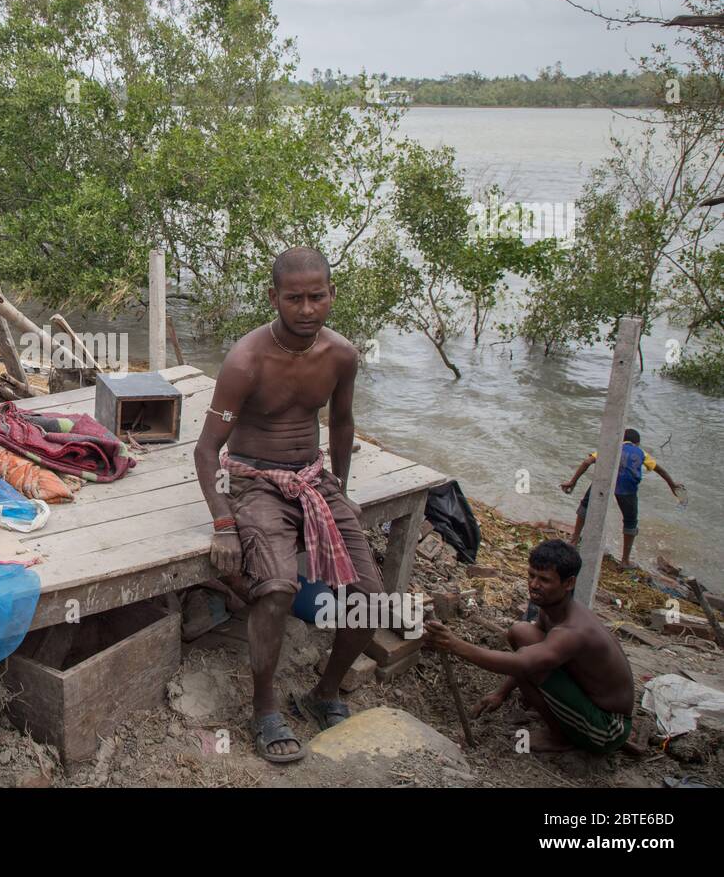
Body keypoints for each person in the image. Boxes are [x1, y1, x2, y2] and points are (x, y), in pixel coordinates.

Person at [194, 246, 382, 764]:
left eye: (316, 297)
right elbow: (206, 450)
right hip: (255, 482)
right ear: (273, 297)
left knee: (371, 595)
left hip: (314, 478)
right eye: (294, 298)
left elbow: (342, 423)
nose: (306, 309)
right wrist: (224, 524)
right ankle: (264, 707)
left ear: (331, 296)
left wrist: (339, 485)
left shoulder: (341, 354)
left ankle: (325, 693)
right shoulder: (246, 361)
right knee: (276, 589)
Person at [426, 539, 634, 754]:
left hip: (608, 728)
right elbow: (528, 651)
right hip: (590, 698)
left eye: (544, 580)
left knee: (531, 667)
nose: (534, 585)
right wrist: (501, 693)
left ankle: (559, 737)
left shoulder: (573, 631)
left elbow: (524, 663)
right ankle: (565, 719)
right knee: (521, 632)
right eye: (531, 575)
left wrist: (455, 645)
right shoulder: (552, 608)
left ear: (569, 583)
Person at [561, 428, 684, 566]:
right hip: (627, 488)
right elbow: (660, 470)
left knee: (585, 505)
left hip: (604, 481)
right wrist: (672, 485)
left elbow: (587, 462)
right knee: (630, 521)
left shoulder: (612, 447)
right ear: (637, 443)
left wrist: (573, 481)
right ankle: (625, 560)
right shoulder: (641, 452)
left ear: (621, 440)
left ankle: (574, 540)